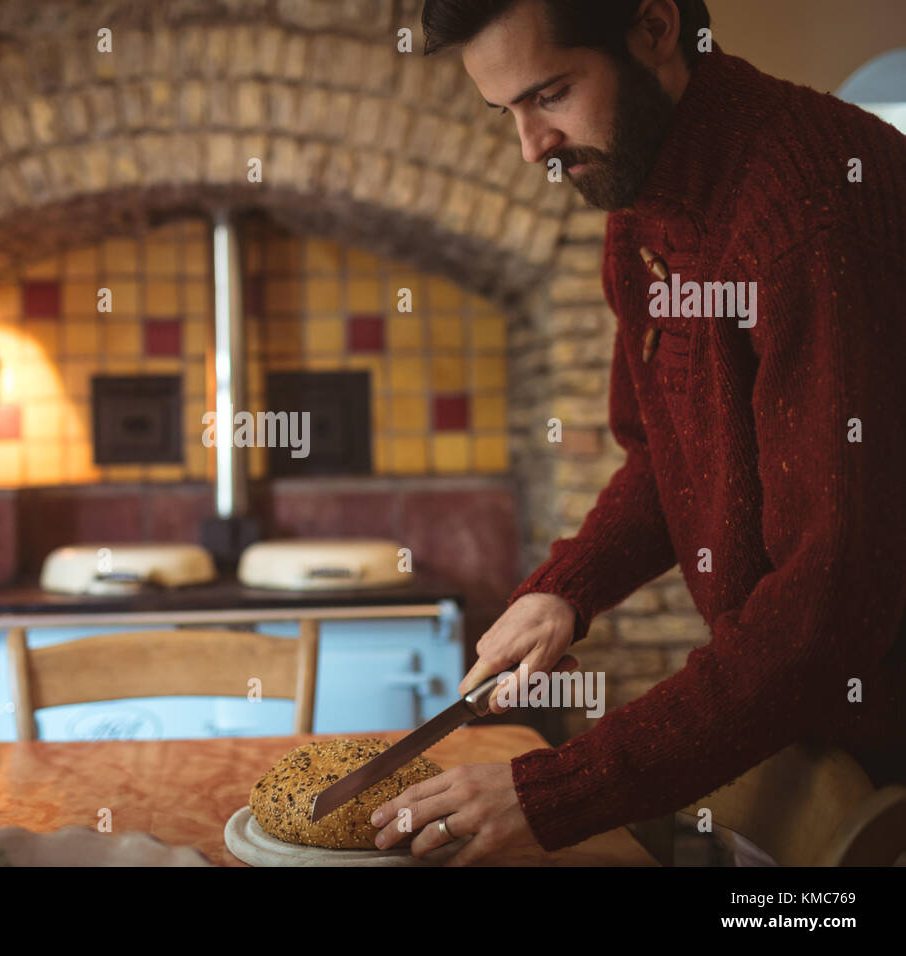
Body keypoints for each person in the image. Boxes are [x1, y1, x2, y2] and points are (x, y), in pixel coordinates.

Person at [371, 0, 906, 865]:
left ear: (655, 28)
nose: (531, 146)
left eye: (550, 93)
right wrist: (569, 588)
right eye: (506, 110)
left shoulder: (810, 210)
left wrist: (557, 793)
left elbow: (829, 607)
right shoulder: (640, 199)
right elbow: (668, 457)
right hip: (808, 725)